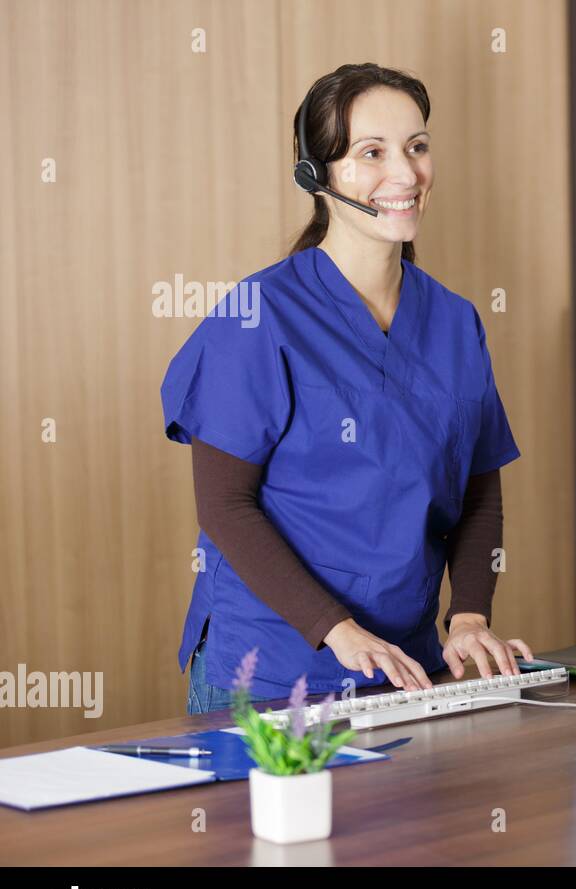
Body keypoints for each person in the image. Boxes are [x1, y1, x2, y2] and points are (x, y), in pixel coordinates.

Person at [163, 63, 533, 714]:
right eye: (372, 153)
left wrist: (470, 614)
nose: (405, 173)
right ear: (317, 174)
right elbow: (225, 508)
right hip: (272, 667)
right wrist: (337, 631)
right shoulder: (258, 317)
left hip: (402, 665)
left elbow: (479, 497)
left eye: (417, 147)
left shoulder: (454, 321)